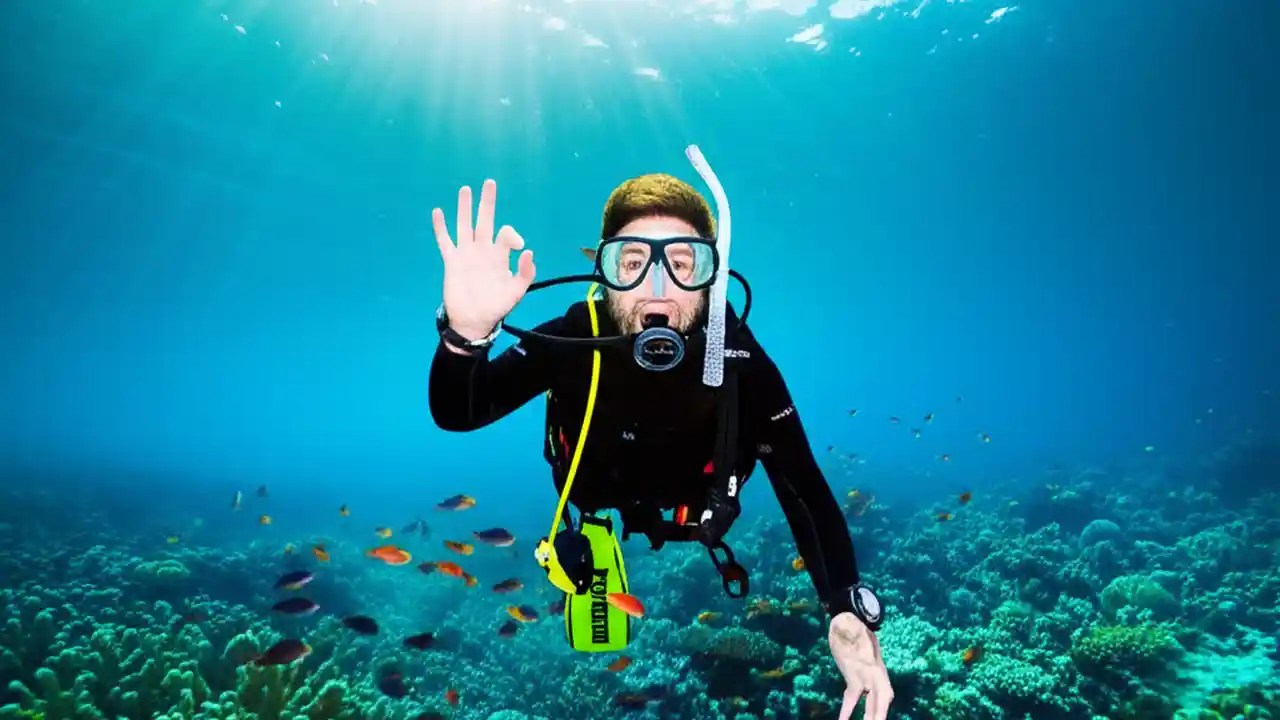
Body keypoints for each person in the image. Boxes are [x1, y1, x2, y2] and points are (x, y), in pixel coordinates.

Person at [427, 150, 893, 720]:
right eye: (631, 263)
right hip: (594, 498)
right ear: (603, 270)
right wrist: (465, 337)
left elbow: (807, 492)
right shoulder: (577, 339)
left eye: (683, 262)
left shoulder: (737, 356)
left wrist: (843, 607)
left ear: (711, 276)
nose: (657, 287)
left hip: (696, 513)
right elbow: (459, 412)